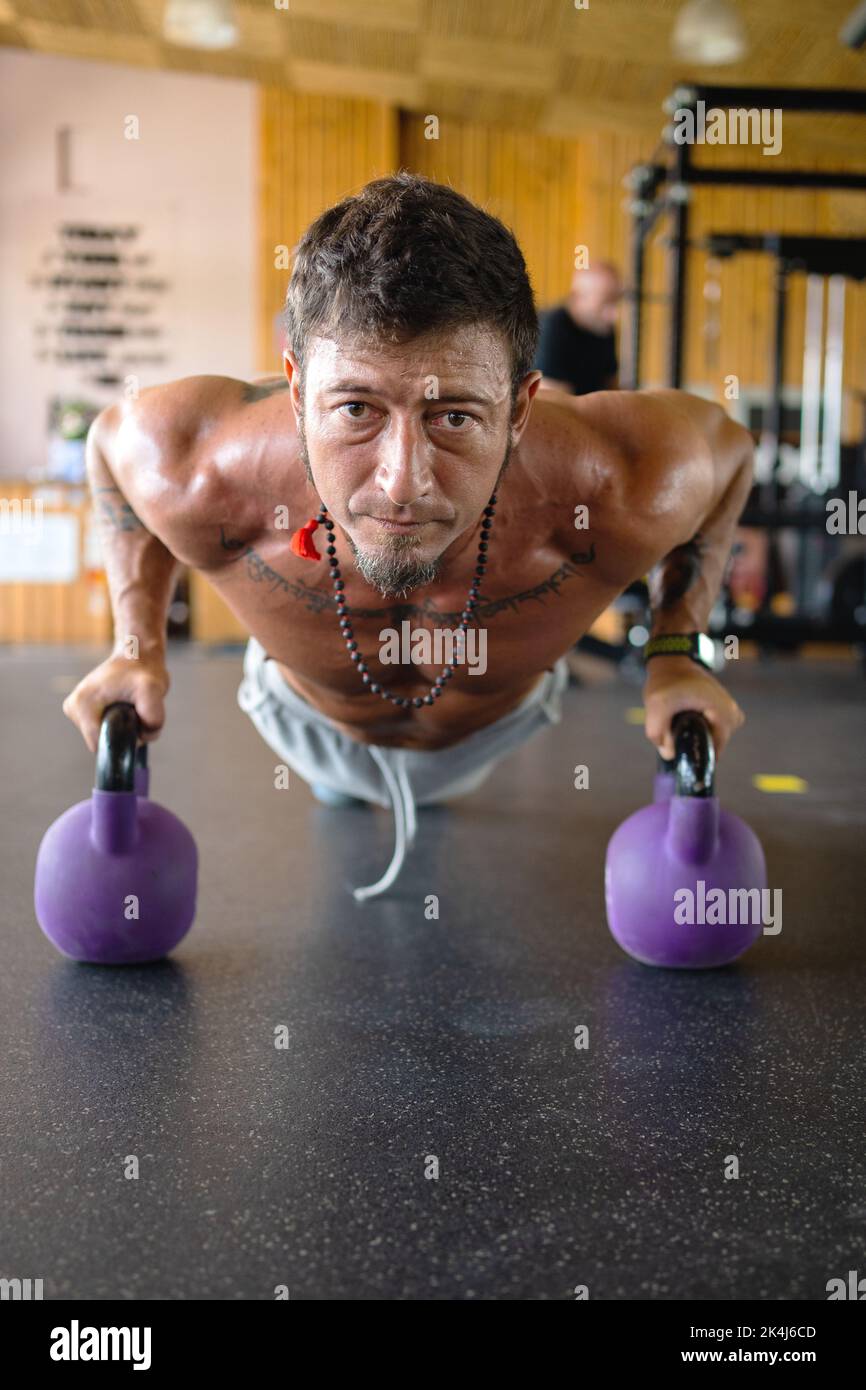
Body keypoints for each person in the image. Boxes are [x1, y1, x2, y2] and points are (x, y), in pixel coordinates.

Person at [64, 173, 747, 899]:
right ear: (297, 392)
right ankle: (344, 781)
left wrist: (676, 653)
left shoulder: (621, 475)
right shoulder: (201, 463)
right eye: (356, 408)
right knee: (338, 790)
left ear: (519, 410)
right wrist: (133, 648)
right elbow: (109, 445)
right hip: (304, 718)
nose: (401, 483)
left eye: (453, 416)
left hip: (490, 733)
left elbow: (730, 458)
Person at [535, 261, 623, 395]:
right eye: (604, 303)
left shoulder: (603, 326)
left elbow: (612, 386)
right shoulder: (551, 328)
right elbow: (553, 401)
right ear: (578, 297)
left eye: (616, 302)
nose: (614, 315)